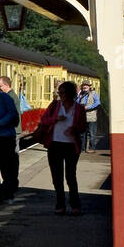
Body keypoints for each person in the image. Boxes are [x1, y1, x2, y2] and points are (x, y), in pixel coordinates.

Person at [40, 80, 87, 215]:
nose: (60, 95)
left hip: (72, 146)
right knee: (57, 177)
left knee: (71, 176)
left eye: (62, 93)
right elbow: (44, 121)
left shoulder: (78, 108)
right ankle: (60, 204)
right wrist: (55, 119)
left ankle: (75, 204)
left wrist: (74, 129)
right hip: (55, 144)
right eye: (59, 92)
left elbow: (83, 127)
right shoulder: (55, 106)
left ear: (70, 94)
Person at [77, 82, 100, 152]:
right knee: (82, 134)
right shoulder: (80, 94)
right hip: (82, 117)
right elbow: (77, 102)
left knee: (92, 134)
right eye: (83, 86)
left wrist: (88, 107)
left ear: (89, 87)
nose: (85, 87)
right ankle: (82, 148)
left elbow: (97, 103)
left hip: (91, 116)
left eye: (86, 86)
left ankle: (92, 148)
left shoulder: (94, 93)